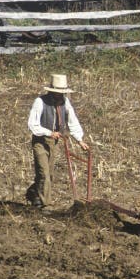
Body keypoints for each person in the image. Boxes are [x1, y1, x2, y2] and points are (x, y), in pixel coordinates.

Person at [26, 73, 89, 208]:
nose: (60, 95)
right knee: (43, 173)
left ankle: (34, 193)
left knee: (50, 174)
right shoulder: (40, 102)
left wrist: (80, 140)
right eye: (58, 93)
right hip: (40, 141)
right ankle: (45, 205)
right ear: (52, 92)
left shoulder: (65, 103)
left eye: (62, 93)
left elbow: (72, 122)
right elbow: (33, 124)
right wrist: (49, 132)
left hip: (53, 142)